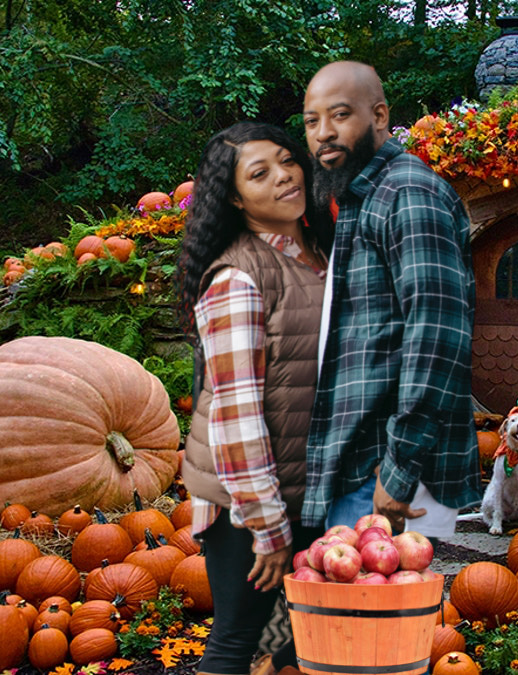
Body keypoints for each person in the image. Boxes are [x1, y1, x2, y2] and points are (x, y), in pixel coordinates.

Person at [301, 61, 481, 542]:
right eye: (312, 121)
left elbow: (437, 337)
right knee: (334, 614)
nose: (323, 134)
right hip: (351, 459)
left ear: (379, 116)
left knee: (368, 616)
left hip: (383, 471)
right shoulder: (362, 198)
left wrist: (398, 474)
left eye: (339, 116)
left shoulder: (409, 193)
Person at [176, 121, 331, 675]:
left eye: (287, 160)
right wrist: (266, 528)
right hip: (249, 501)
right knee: (238, 637)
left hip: (310, 484)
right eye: (260, 173)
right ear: (236, 198)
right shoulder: (235, 281)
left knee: (310, 634)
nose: (285, 176)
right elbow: (235, 414)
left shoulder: (316, 251)